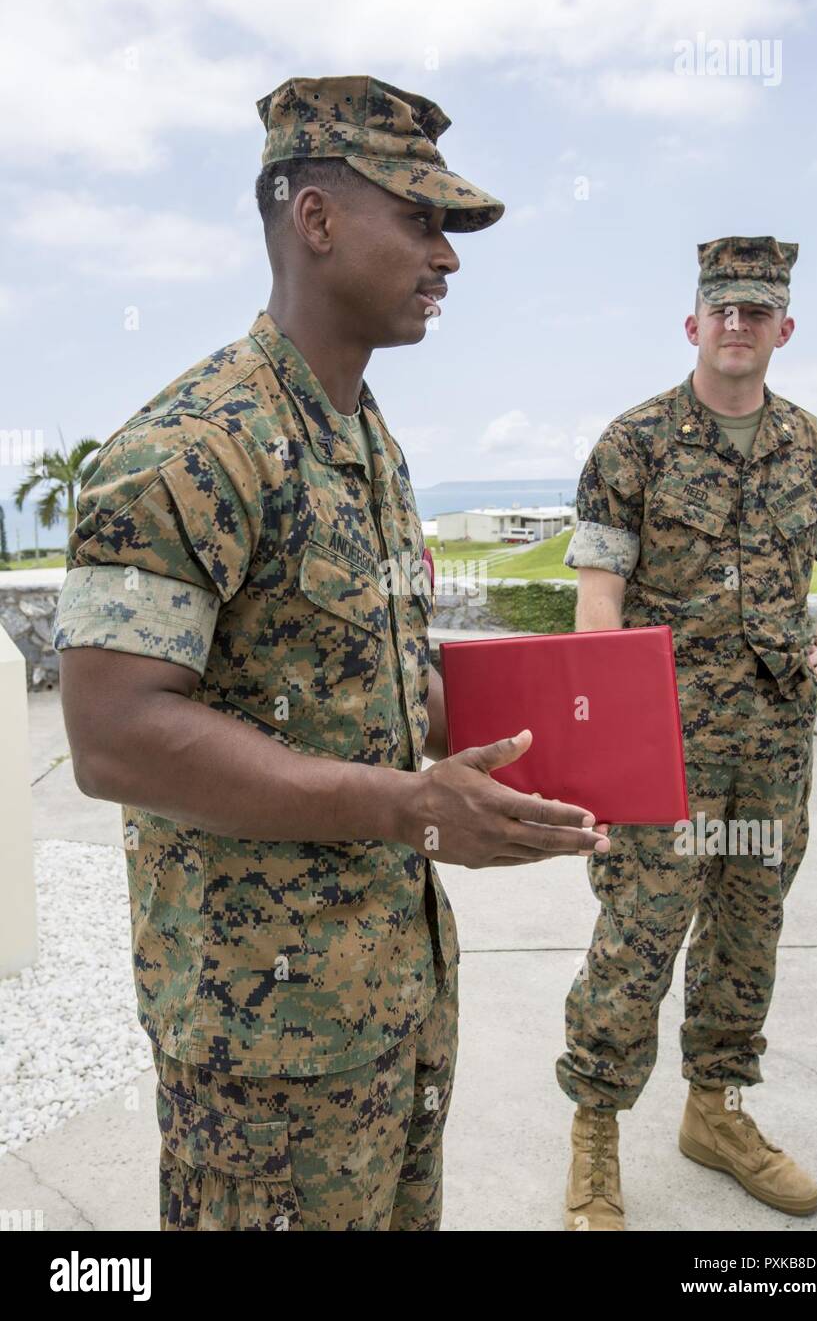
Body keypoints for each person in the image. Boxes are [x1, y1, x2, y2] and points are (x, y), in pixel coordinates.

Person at [52, 73, 609, 1232]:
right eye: (419, 220)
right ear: (315, 220)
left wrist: (571, 740)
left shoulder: (369, 444)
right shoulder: (192, 445)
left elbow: (376, 686)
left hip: (390, 997)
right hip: (262, 1042)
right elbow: (113, 736)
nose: (446, 257)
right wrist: (406, 807)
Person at [557, 235, 817, 1231]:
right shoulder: (632, 443)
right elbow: (595, 602)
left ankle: (713, 1113)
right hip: (663, 746)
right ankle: (595, 1132)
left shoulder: (816, 448)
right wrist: (600, 745)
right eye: (720, 309)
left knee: (746, 934)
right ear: (692, 325)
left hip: (770, 746)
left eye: (755, 310)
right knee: (637, 937)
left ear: (783, 327)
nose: (736, 325)